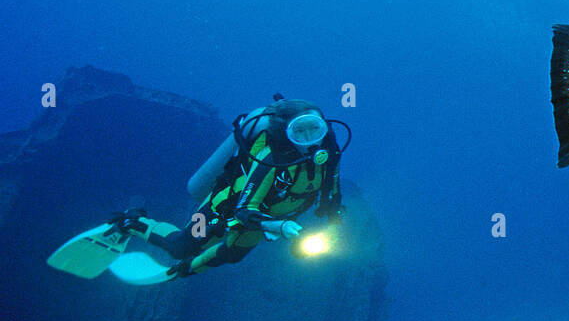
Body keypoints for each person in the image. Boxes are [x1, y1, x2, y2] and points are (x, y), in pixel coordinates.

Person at [50, 95, 349, 284]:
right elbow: (246, 209)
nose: (309, 141)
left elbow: (332, 195)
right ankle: (131, 222)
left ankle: (179, 271)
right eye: (300, 132)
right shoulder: (271, 157)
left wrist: (334, 223)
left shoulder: (328, 154)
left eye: (315, 131)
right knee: (183, 245)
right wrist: (280, 226)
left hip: (270, 221)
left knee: (232, 254)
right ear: (286, 132)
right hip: (224, 210)